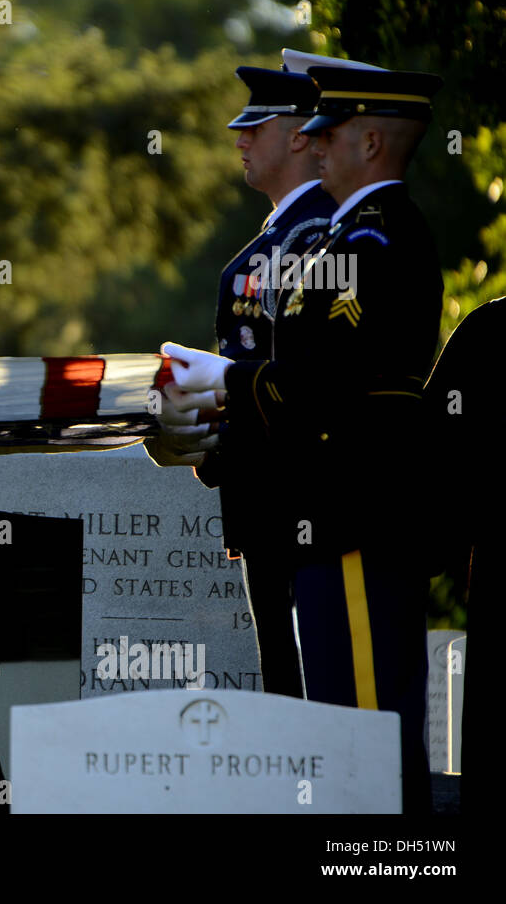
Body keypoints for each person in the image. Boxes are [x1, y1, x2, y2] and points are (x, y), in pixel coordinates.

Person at [160, 64, 444, 812]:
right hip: (323, 504)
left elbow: (338, 379)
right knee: (337, 728)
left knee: (362, 731)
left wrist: (229, 381)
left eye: (331, 134)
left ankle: (387, 861)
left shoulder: (376, 236)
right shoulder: (352, 234)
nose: (316, 150)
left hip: (350, 502)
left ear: (372, 140)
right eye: (310, 134)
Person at [148, 55, 350, 699]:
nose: (239, 140)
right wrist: (193, 438)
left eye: (255, 127)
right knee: (287, 696)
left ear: (298, 135)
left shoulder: (322, 237)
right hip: (264, 503)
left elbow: (317, 380)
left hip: (309, 502)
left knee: (322, 702)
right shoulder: (265, 247)